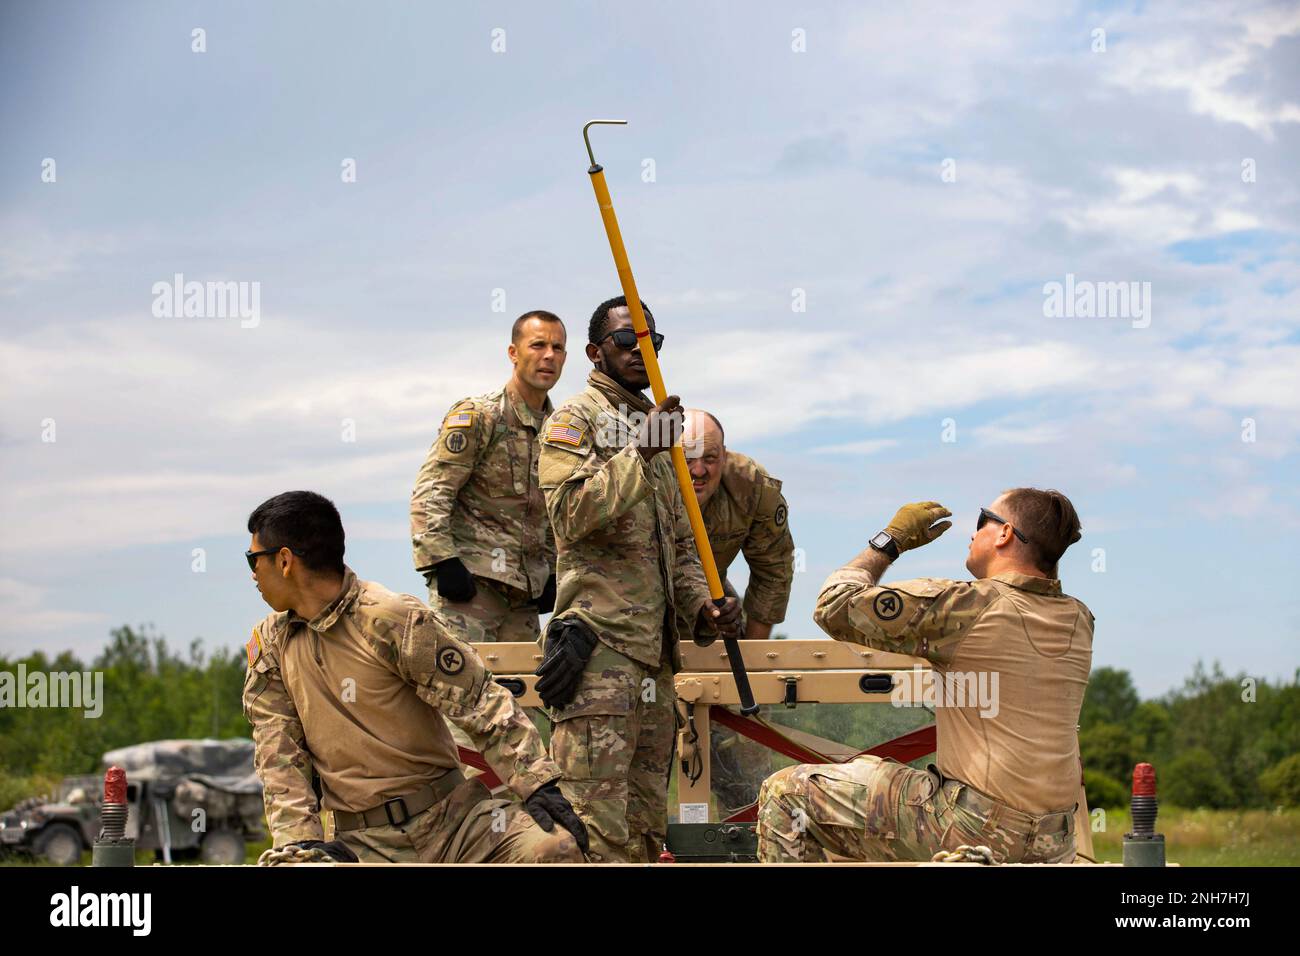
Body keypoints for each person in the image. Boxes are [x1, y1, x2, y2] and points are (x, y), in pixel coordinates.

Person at [242, 490, 587, 863]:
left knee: (557, 850)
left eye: (252, 559)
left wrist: (536, 783)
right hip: (361, 844)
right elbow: (279, 755)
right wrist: (302, 839)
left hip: (458, 825)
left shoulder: (390, 619)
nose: (253, 574)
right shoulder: (272, 647)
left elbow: (478, 700)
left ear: (284, 560)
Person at [757, 489, 1093, 864]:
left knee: (786, 794)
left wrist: (890, 541)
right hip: (1054, 841)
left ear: (1005, 534)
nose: (973, 531)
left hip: (977, 828)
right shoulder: (1078, 619)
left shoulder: (967, 606)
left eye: (984, 519)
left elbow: (834, 605)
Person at [535, 295, 741, 862]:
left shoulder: (660, 430)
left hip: (654, 658)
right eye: (627, 341)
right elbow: (568, 516)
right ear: (596, 352)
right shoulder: (575, 419)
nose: (640, 351)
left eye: (651, 340)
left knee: (646, 821)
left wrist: (704, 606)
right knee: (593, 822)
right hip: (599, 652)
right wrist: (638, 452)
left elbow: (677, 544)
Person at [410, 310, 567, 643]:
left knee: (520, 692)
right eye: (538, 345)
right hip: (469, 589)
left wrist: (553, 570)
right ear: (513, 353)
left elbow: (555, 508)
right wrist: (443, 562)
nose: (548, 355)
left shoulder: (560, 430)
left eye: (557, 347)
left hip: (524, 596)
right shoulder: (479, 415)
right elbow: (432, 493)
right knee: (461, 689)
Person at [681, 408, 795, 812]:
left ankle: (749, 830)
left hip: (718, 607)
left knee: (741, 742)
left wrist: (751, 656)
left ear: (725, 456)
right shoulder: (646, 476)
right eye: (688, 457)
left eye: (710, 459)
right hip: (639, 602)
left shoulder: (751, 486)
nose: (698, 470)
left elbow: (774, 564)